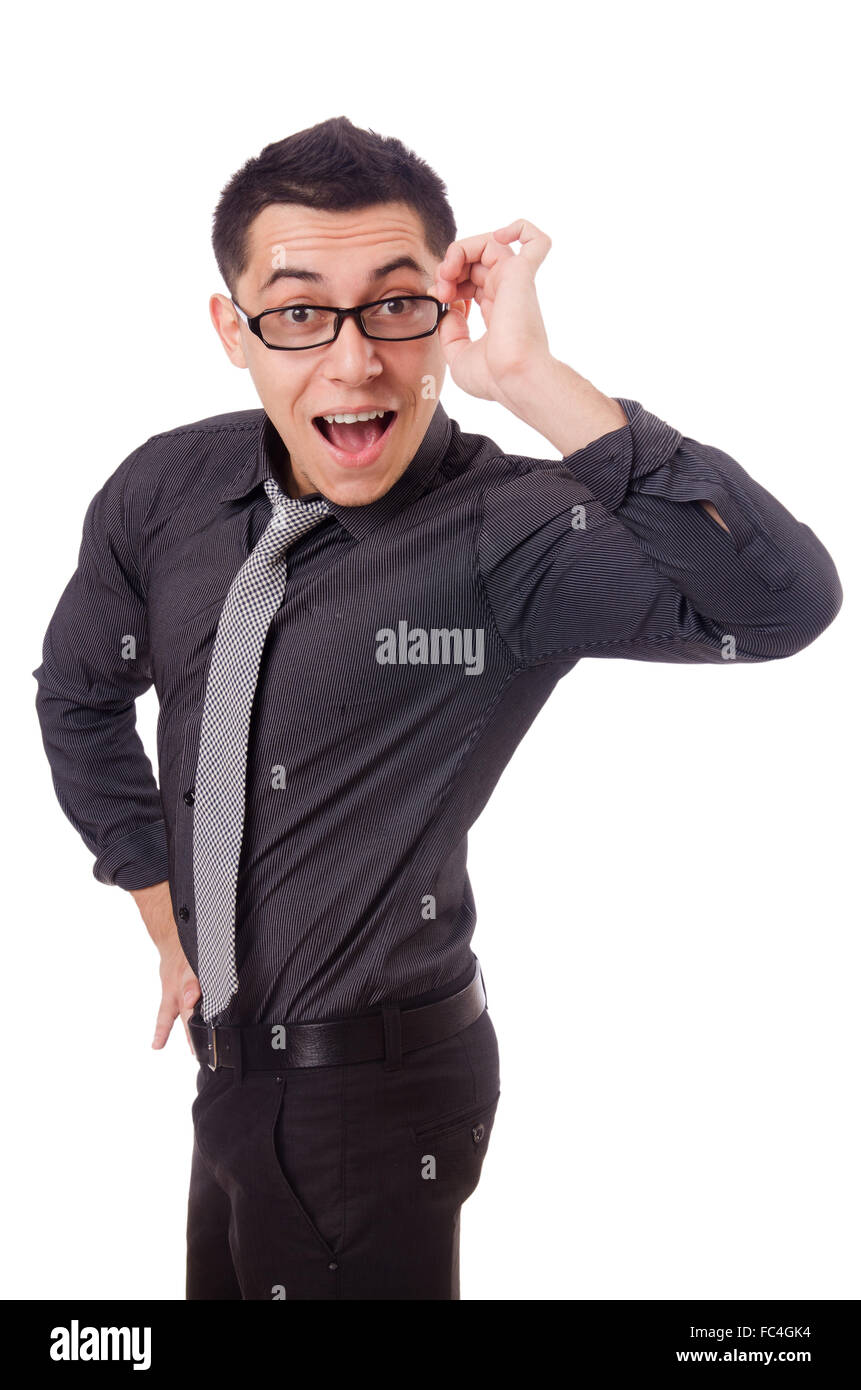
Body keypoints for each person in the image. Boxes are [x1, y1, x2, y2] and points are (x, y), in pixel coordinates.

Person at [32, 115, 842, 1301]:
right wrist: (165, 906)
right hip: (229, 1072)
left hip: (376, 1094)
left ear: (442, 315)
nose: (354, 362)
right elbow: (80, 697)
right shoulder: (169, 487)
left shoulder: (514, 535)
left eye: (395, 306)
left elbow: (779, 602)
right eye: (301, 312)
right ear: (233, 329)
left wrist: (532, 380)